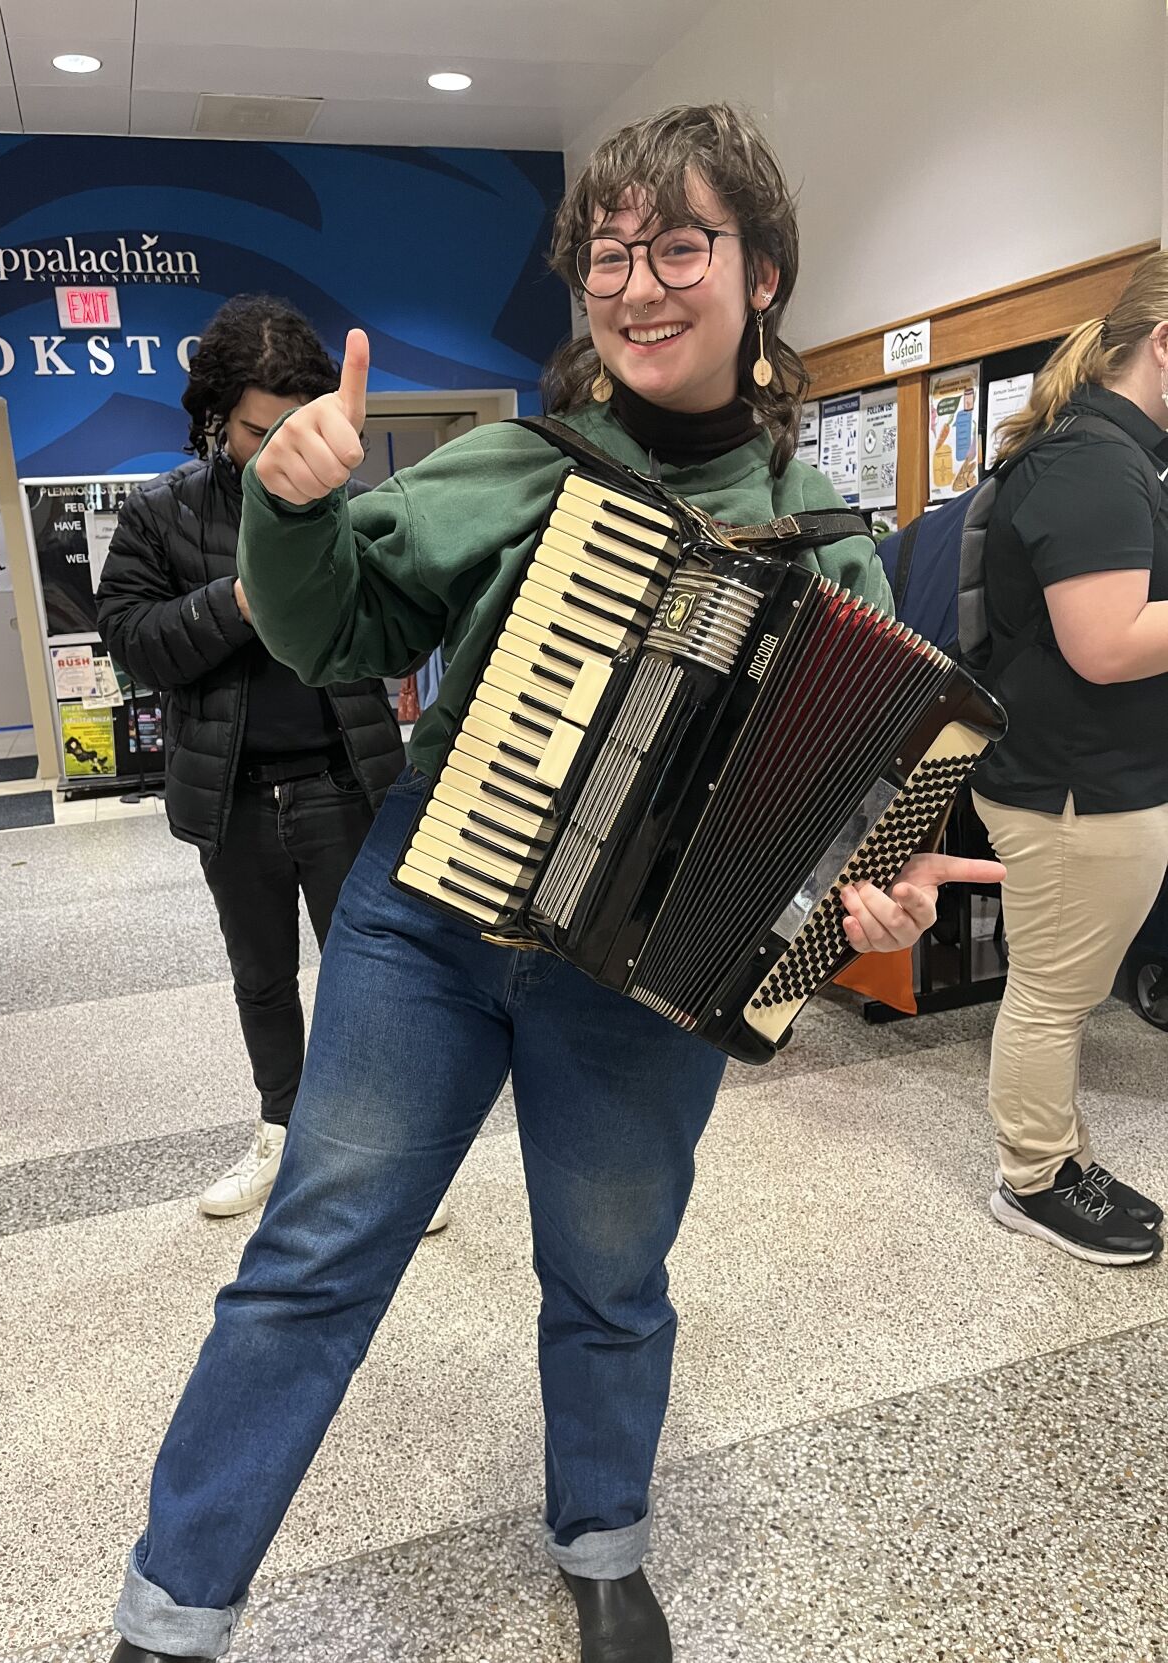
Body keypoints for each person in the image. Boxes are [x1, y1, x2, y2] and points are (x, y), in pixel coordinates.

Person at [108, 106, 1002, 1663]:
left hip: (636, 974)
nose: (637, 284)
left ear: (761, 274)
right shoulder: (520, 464)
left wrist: (870, 903)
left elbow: (848, 834)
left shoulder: (827, 545)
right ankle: (170, 1610)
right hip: (426, 921)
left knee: (609, 1268)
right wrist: (292, 508)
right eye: (607, 254)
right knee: (314, 1251)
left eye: (680, 246)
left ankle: (603, 1539)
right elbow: (331, 630)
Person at [97, 296, 449, 1233]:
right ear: (217, 417)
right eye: (258, 431)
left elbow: (401, 638)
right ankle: (282, 1133)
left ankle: (380, 1155)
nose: (279, 450)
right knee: (261, 977)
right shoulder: (161, 512)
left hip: (346, 780)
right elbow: (131, 641)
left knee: (371, 977)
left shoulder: (354, 506)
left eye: (297, 424)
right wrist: (248, 600)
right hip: (235, 795)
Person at [972, 251, 1168, 1267]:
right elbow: (1104, 642)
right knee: (1052, 995)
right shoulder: (1094, 462)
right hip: (1072, 786)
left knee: (1061, 988)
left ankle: (1057, 1157)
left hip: (1088, 778)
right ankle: (1033, 1178)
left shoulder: (1105, 452)